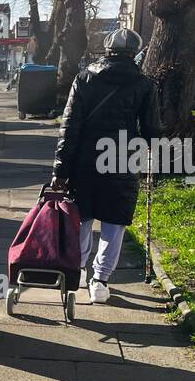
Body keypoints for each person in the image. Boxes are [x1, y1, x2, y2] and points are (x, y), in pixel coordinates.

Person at [50, 27, 161, 304]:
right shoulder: (144, 84)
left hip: (85, 160)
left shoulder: (84, 78)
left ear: (107, 49)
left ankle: (77, 270)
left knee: (83, 218)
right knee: (114, 221)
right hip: (123, 157)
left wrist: (60, 170)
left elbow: (70, 127)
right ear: (135, 52)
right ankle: (100, 280)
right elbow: (151, 130)